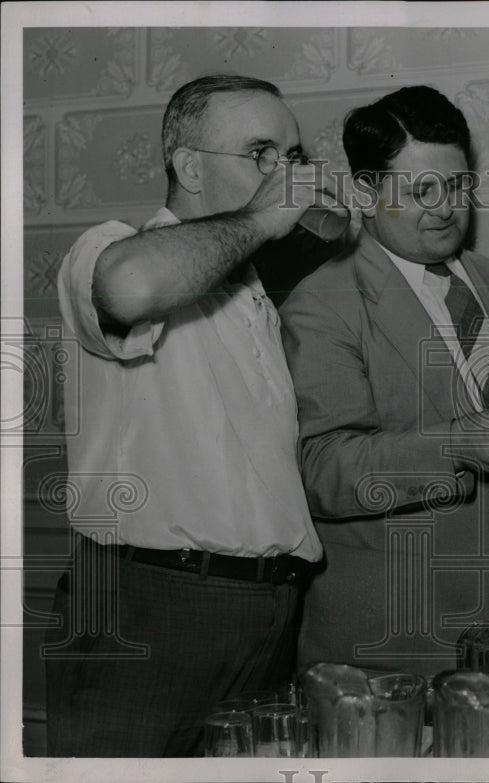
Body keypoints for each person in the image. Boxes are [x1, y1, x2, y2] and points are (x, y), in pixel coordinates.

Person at [48, 74, 346, 756]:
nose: (286, 174)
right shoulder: (110, 247)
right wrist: (270, 217)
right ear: (187, 166)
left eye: (294, 156)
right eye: (262, 152)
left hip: (265, 612)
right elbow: (130, 286)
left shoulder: (250, 291)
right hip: (153, 604)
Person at [280, 85, 489, 677]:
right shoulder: (324, 301)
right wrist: (455, 444)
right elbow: (322, 470)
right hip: (401, 635)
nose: (445, 208)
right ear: (365, 191)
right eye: (420, 191)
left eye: (459, 186)